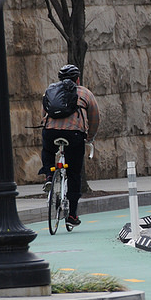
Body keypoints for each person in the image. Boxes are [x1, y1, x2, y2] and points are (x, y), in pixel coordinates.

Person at [39, 64, 100, 227]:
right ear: (77, 79)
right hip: (74, 134)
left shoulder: (50, 91)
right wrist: (90, 136)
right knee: (73, 173)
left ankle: (50, 175)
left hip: (50, 131)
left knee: (47, 149)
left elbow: (44, 114)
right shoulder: (85, 93)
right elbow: (95, 117)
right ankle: (72, 215)